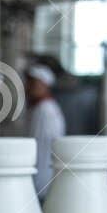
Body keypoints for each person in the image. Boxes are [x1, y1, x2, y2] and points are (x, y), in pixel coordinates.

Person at [25, 60, 67, 197]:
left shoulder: (45, 110)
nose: (28, 87)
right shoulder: (38, 108)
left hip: (42, 176)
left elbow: (40, 146)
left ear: (44, 85)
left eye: (33, 83)